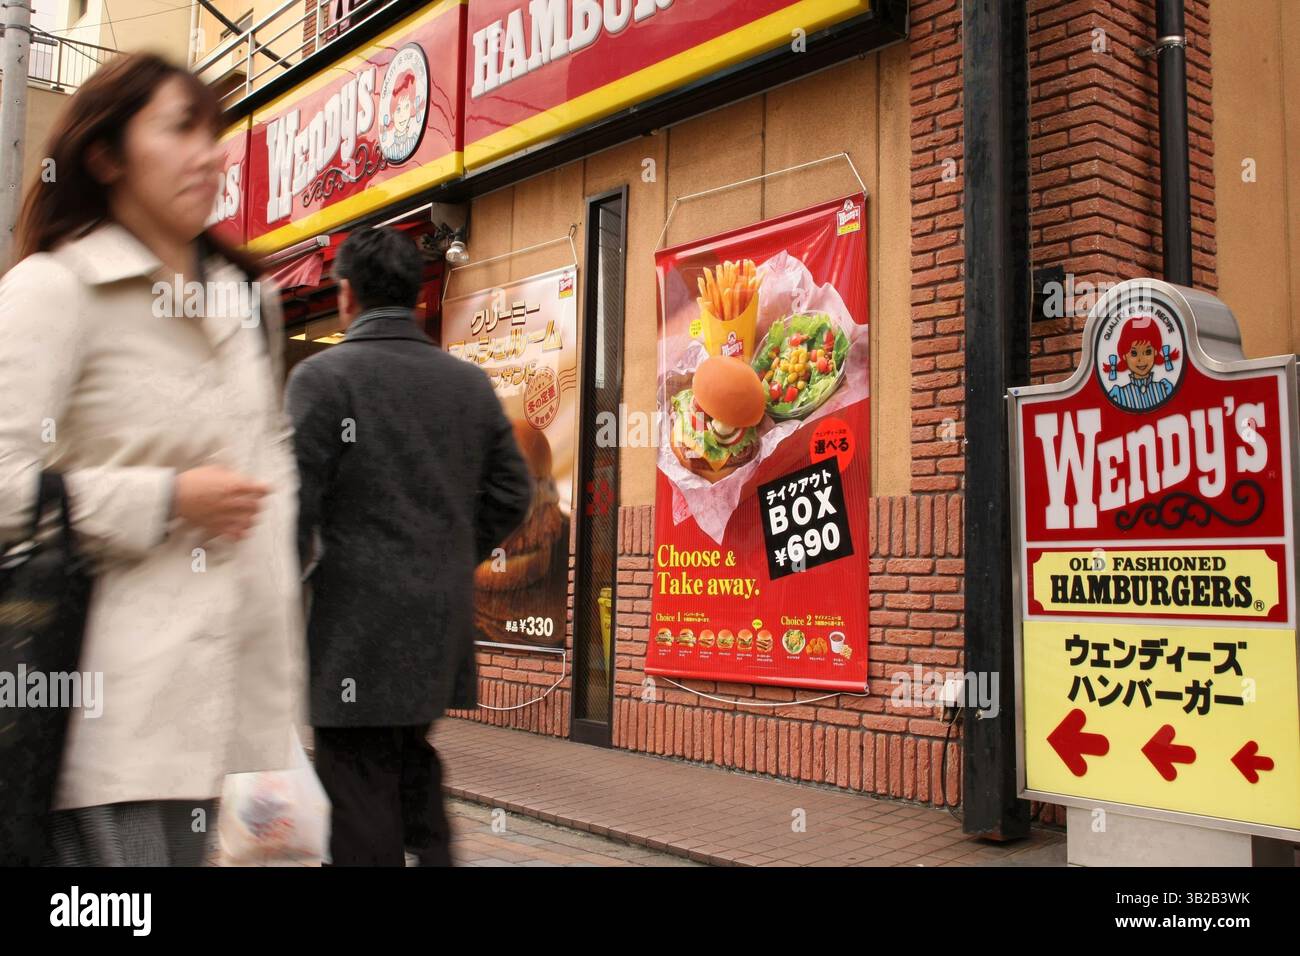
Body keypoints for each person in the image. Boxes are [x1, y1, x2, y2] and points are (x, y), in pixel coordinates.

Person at [0, 53, 303, 865]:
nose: (210, 153)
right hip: (111, 733)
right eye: (180, 129)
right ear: (105, 156)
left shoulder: (246, 305)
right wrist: (164, 498)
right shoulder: (55, 291)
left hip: (238, 738)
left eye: (216, 132)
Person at [287, 227, 531, 866]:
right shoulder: (467, 385)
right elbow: (512, 492)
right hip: (436, 626)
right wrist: (450, 554)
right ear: (416, 299)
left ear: (345, 296)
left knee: (360, 784)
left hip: (353, 629)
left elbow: (294, 509)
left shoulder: (323, 378)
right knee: (406, 758)